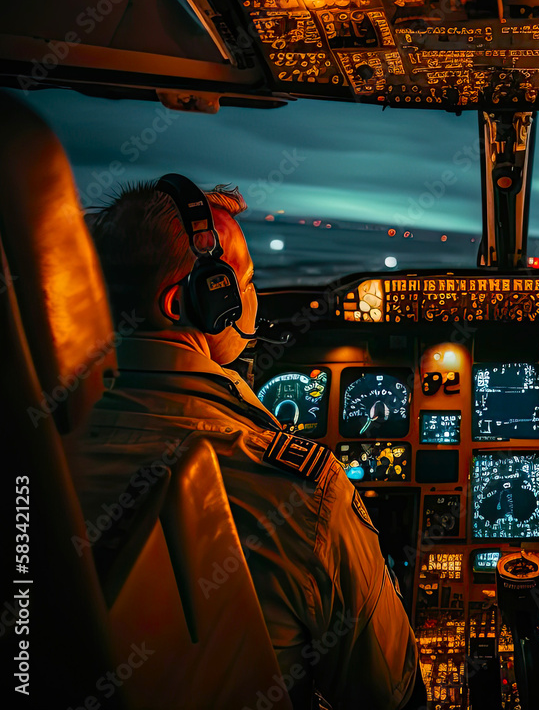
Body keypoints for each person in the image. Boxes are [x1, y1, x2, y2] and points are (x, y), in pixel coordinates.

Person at [65, 176, 424, 710]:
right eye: (245, 282)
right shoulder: (302, 493)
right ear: (187, 302)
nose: (252, 298)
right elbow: (389, 695)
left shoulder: (40, 455)